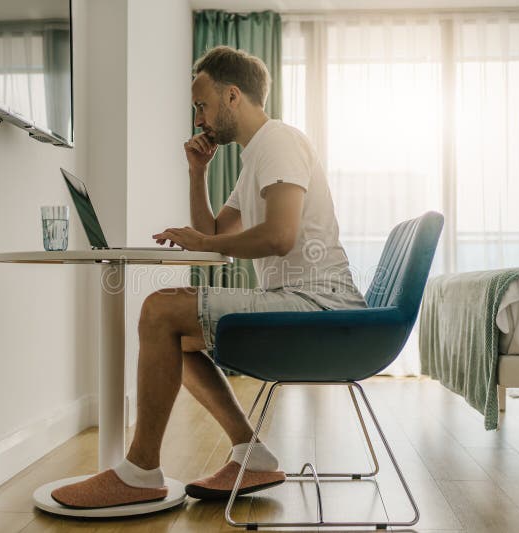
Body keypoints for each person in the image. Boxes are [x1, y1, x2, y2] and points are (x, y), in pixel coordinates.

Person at [51, 45, 367, 509]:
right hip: (301, 299)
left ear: (233, 96)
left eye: (202, 105)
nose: (198, 118)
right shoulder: (256, 154)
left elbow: (279, 235)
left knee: (160, 310)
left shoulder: (278, 141)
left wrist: (201, 243)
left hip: (320, 305)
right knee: (173, 328)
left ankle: (139, 472)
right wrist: (197, 172)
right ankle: (250, 453)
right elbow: (215, 235)